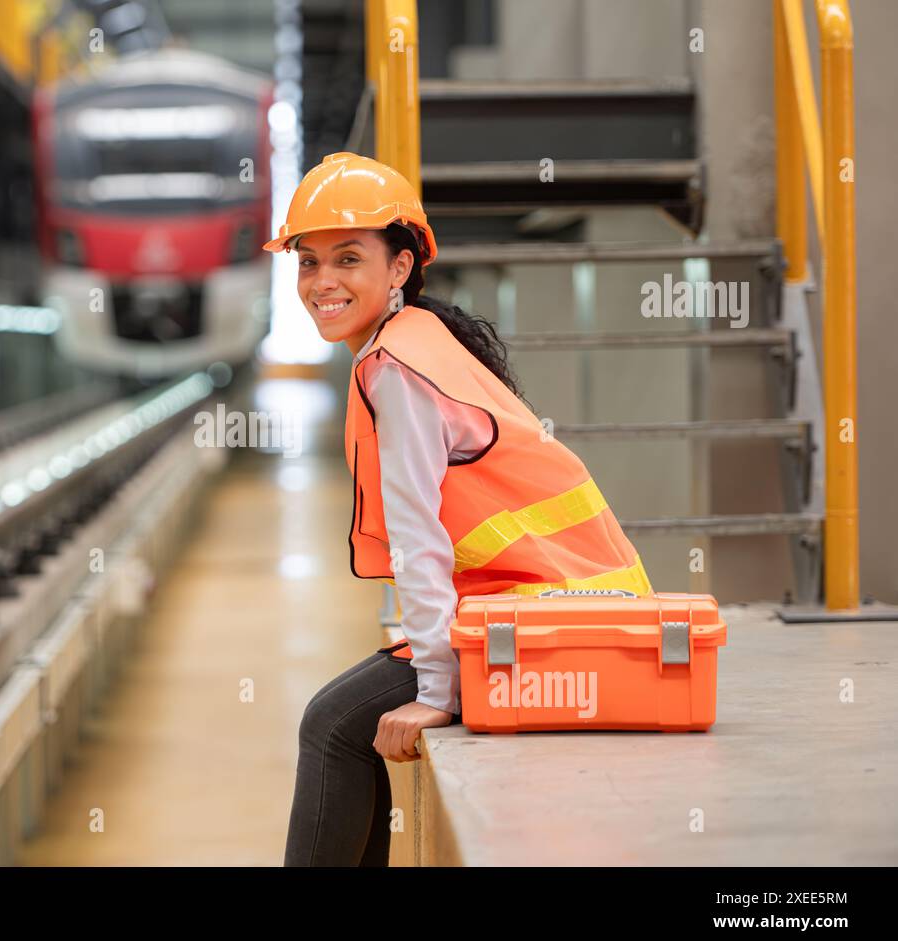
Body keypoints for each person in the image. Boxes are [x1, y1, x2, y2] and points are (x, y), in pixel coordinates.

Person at [263, 152, 652, 866]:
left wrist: (436, 690)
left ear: (401, 267)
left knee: (329, 723)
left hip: (553, 625)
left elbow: (418, 536)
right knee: (348, 721)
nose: (322, 282)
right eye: (307, 262)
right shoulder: (419, 341)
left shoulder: (399, 371)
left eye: (348, 259)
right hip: (570, 609)